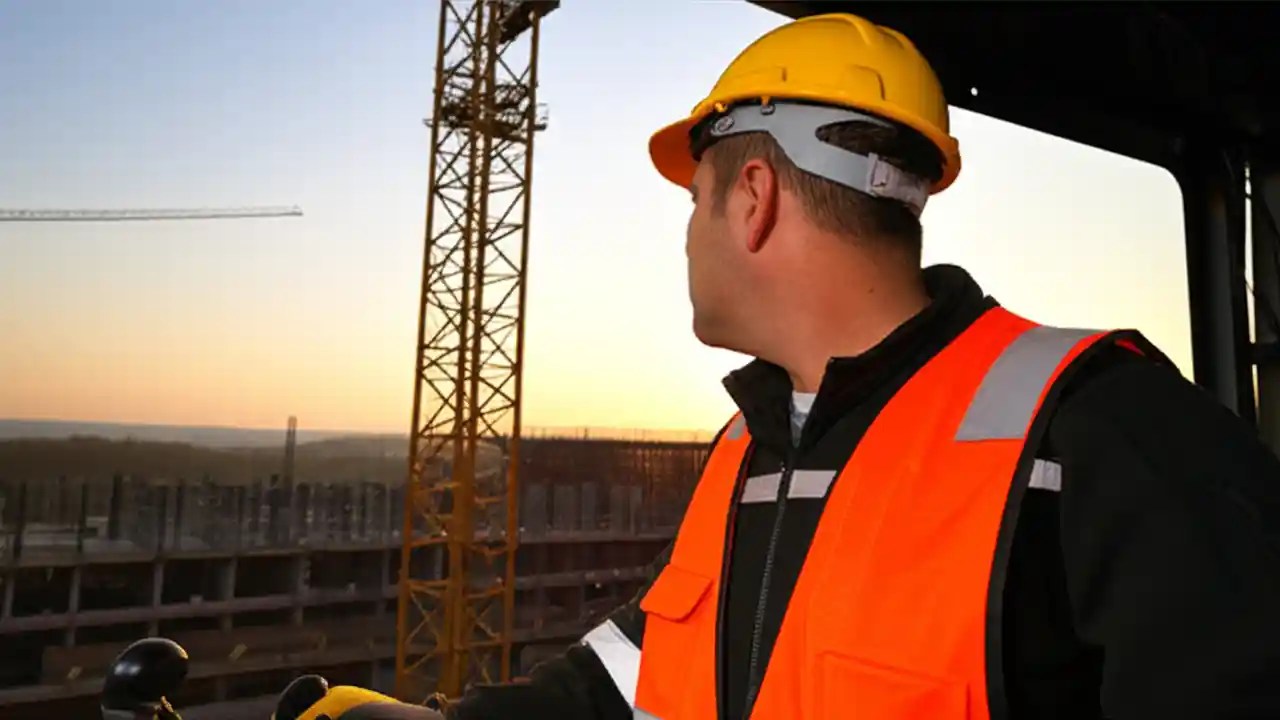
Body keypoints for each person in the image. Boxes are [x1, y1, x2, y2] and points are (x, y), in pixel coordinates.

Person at [444, 11, 1280, 720]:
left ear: (754, 196)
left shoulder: (1096, 431)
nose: (688, 234)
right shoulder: (748, 449)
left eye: (698, 199)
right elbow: (650, 663)